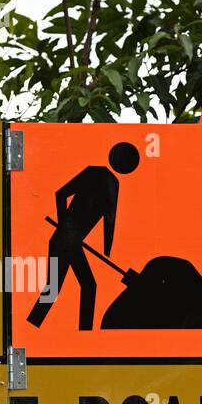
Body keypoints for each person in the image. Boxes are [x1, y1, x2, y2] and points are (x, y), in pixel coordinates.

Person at [27, 141, 139, 331]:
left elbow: (109, 220)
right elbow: (61, 194)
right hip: (63, 241)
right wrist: (65, 228)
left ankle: (82, 334)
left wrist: (106, 252)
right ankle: (33, 326)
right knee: (57, 288)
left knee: (86, 286)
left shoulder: (110, 182)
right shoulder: (98, 176)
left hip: (71, 241)